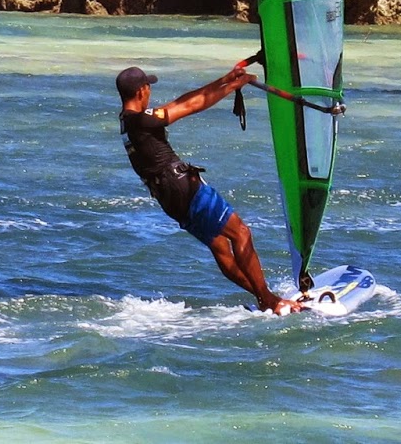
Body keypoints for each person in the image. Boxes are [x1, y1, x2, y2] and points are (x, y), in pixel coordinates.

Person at [116, 64, 300, 315]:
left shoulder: (127, 121)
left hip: (169, 199)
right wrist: (232, 87)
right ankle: (269, 300)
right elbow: (193, 105)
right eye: (149, 87)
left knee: (220, 245)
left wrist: (225, 80)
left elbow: (182, 101)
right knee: (241, 232)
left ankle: (264, 297)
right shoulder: (143, 120)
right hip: (185, 188)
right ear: (141, 91)